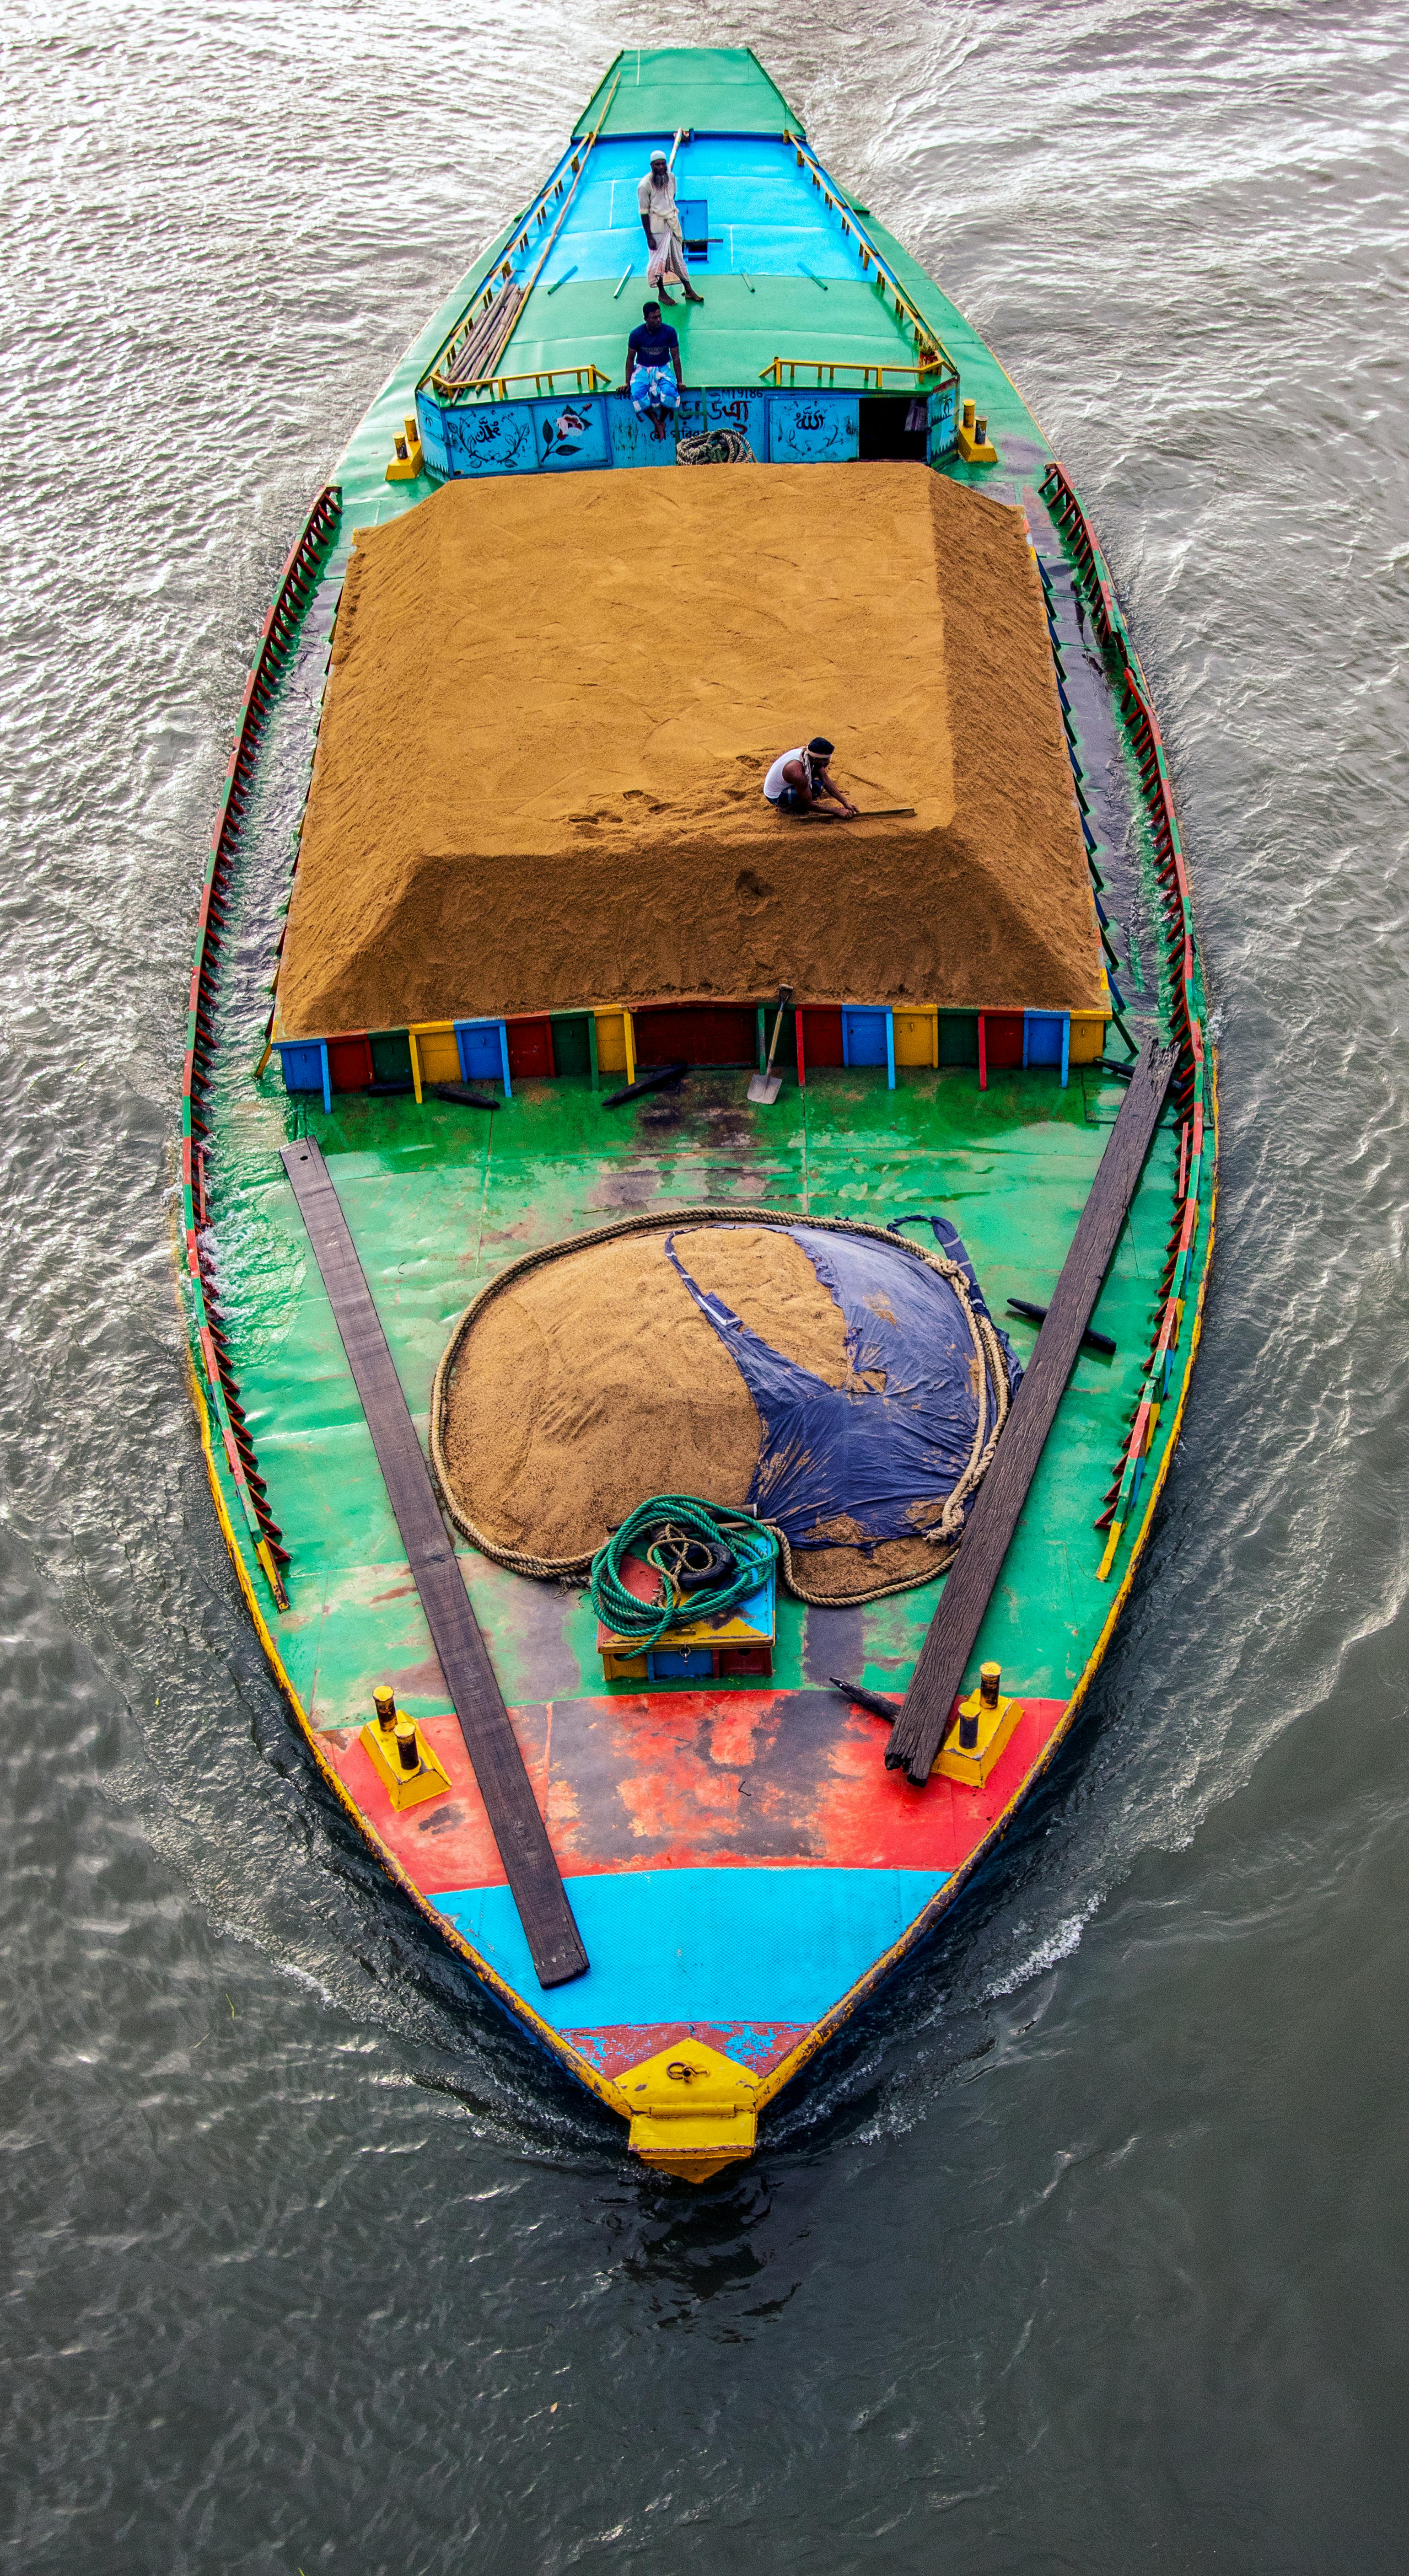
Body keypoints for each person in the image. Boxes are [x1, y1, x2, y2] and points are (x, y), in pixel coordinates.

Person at [636, 149, 704, 306]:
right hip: (657, 228)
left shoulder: (672, 178)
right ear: (651, 166)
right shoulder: (644, 186)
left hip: (672, 224)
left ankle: (688, 290)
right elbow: (644, 213)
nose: (661, 168)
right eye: (657, 165)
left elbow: (671, 199)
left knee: (679, 258)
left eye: (663, 164)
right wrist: (649, 238)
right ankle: (662, 293)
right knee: (659, 261)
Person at [622, 301, 684, 442]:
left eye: (659, 316)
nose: (658, 320)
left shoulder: (670, 332)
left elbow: (676, 356)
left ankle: (661, 421)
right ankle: (657, 423)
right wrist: (627, 382)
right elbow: (630, 358)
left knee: (670, 393)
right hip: (643, 369)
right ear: (646, 320)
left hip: (663, 367)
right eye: (654, 318)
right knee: (637, 394)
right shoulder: (636, 335)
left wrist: (680, 381)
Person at [763, 739, 859, 820]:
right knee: (815, 791)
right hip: (776, 796)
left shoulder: (810, 756)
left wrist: (845, 803)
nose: (828, 763)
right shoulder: (797, 773)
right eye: (825, 760)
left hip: (789, 783)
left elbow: (826, 780)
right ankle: (787, 808)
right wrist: (837, 811)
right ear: (816, 759)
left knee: (818, 785)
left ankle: (798, 796)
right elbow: (809, 804)